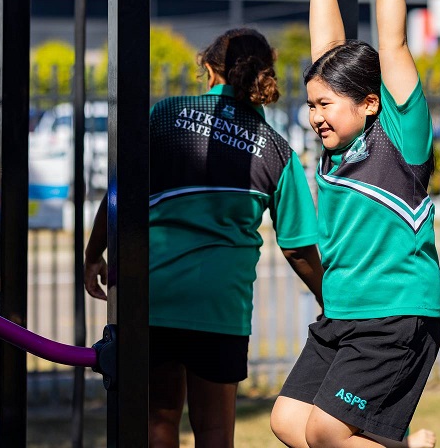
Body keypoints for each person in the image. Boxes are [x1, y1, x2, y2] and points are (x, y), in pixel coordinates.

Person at [84, 28, 324, 448]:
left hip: (153, 296)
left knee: (158, 421)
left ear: (210, 68)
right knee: (214, 433)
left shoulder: (166, 115)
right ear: (262, 79)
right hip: (220, 307)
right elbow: (297, 245)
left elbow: (121, 193)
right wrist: (329, 296)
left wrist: (93, 253)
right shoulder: (276, 149)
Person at [270, 0, 440, 448]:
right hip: (343, 313)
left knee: (326, 433)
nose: (314, 116)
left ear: (369, 103)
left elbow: (391, 46)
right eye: (311, 105)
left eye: (325, 105)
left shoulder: (399, 138)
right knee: (287, 421)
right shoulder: (333, 150)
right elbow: (329, 52)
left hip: (394, 314)